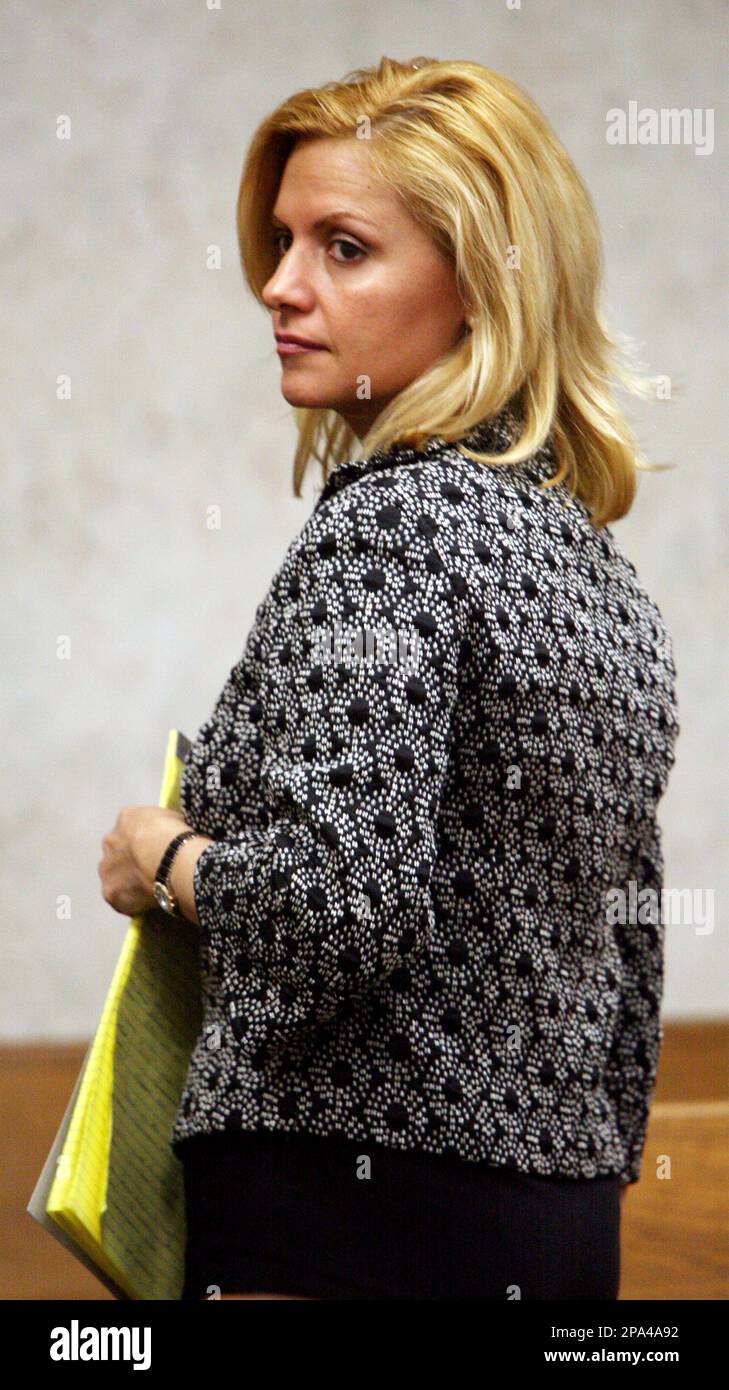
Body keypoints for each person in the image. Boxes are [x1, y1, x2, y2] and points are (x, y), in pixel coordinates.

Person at [98, 56, 680, 1301]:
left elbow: (337, 907)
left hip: (338, 1212)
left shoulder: (391, 526)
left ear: (480, 287)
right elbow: (631, 971)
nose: (278, 283)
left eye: (343, 248)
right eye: (283, 239)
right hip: (563, 1221)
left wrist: (161, 855)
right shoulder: (600, 573)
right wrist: (580, 1189)